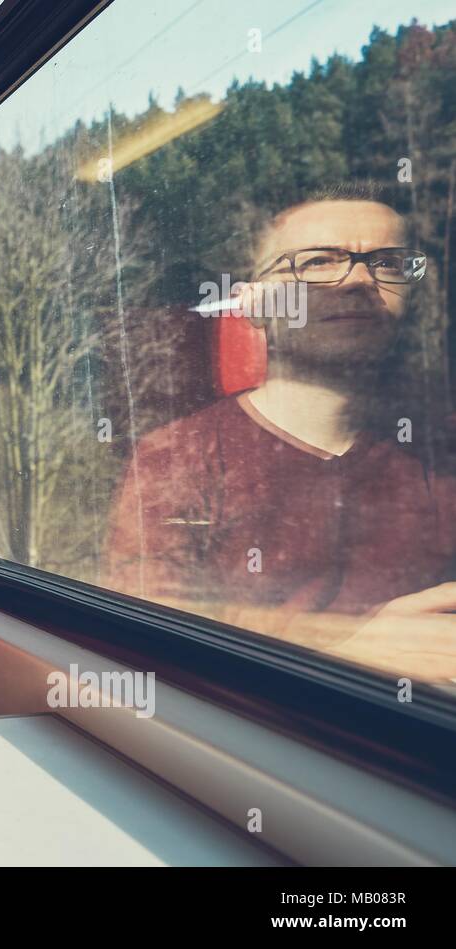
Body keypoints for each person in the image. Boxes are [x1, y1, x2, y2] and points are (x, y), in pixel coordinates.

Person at [103, 182, 456, 681]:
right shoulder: (176, 459)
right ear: (254, 305)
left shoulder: (441, 450)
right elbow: (142, 645)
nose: (358, 281)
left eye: (389, 263)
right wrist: (344, 661)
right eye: (317, 262)